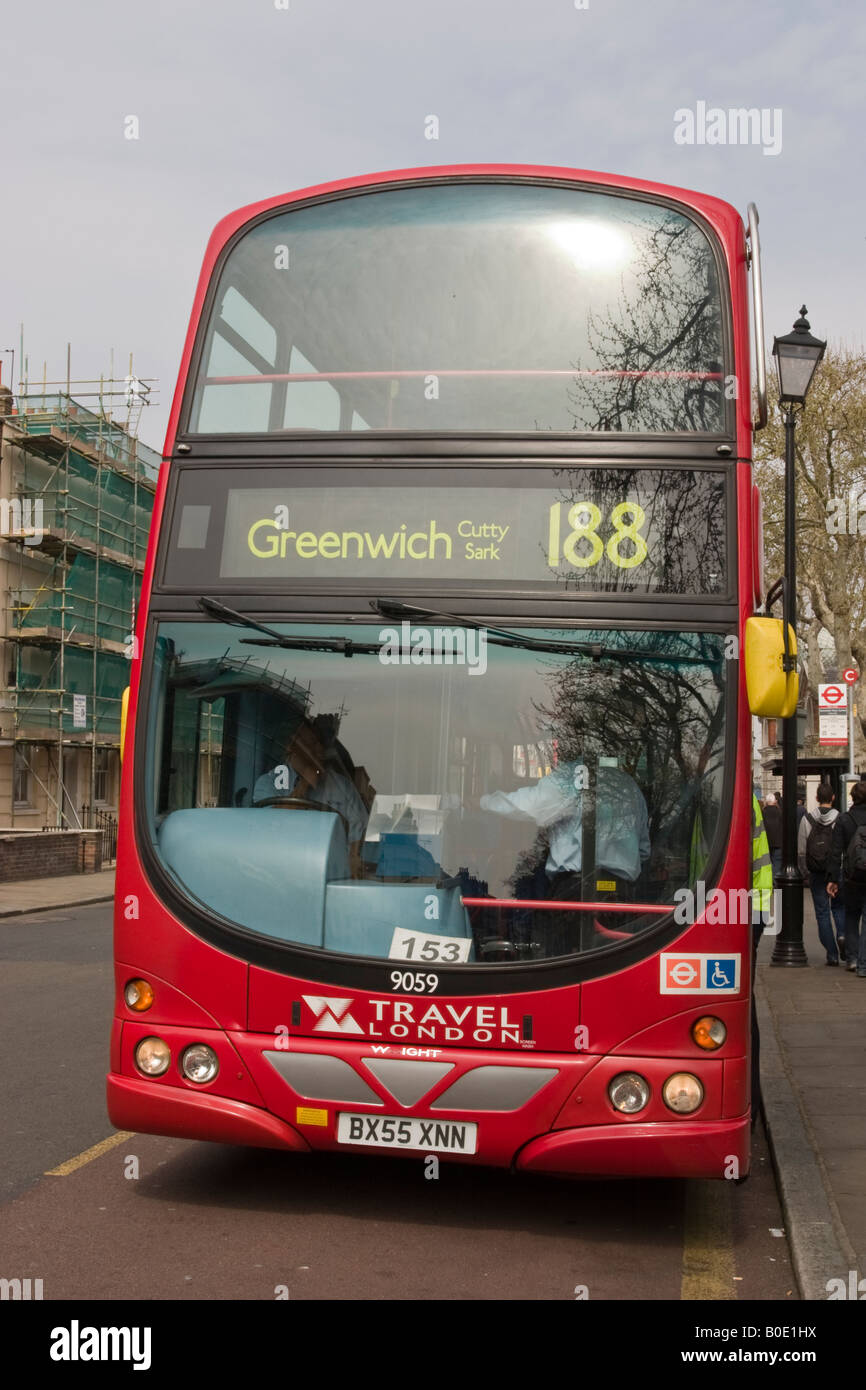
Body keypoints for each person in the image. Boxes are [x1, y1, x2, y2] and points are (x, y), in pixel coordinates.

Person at [478, 758, 650, 954]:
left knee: (563, 960)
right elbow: (643, 850)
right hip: (620, 893)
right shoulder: (628, 785)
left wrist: (483, 802)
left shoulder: (570, 776)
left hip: (573, 893)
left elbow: (528, 805)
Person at [253, 713, 369, 871]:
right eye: (310, 743)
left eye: (319, 744)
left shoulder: (342, 787)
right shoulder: (268, 783)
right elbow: (270, 829)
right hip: (279, 870)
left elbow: (360, 832)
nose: (318, 750)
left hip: (331, 871)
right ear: (291, 745)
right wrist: (305, 784)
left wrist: (354, 856)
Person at [798, 782, 846, 965]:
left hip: (816, 872)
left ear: (817, 798)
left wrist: (805, 873)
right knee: (839, 907)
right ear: (833, 797)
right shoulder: (840, 819)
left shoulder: (807, 819)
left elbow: (801, 850)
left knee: (822, 913)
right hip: (836, 870)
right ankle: (842, 935)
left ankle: (832, 954)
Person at [827, 782, 866, 977]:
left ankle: (851, 958)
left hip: (851, 876)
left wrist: (833, 879)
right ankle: (864, 963)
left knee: (851, 915)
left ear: (853, 797)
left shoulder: (844, 819)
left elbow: (836, 852)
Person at [762, 792, 783, 880]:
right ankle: (775, 882)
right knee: (777, 863)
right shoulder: (780, 812)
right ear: (775, 801)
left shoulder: (763, 812)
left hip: (766, 842)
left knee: (767, 863)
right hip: (778, 842)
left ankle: (768, 881)